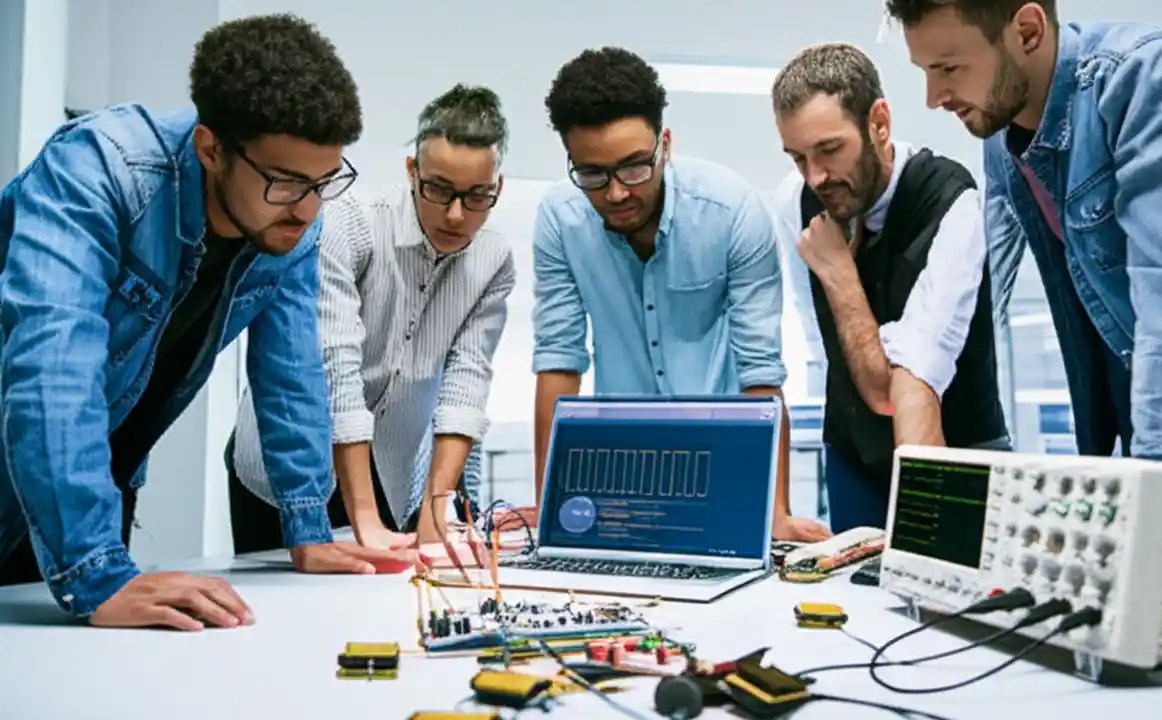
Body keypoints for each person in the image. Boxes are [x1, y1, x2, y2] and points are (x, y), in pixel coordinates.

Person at [0, 13, 416, 631]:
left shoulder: (292, 225)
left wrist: (307, 525)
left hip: (95, 480)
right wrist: (94, 570)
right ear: (210, 149)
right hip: (33, 453)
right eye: (285, 181)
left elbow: (293, 372)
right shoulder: (96, 171)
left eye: (324, 181)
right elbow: (50, 374)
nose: (307, 209)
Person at [887, 0, 1162, 621]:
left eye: (949, 67)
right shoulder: (1003, 138)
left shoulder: (1149, 81)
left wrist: (1157, 540)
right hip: (1150, 449)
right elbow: (979, 288)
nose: (934, 96)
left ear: (1027, 30)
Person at [500, 46, 830, 543]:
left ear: (665, 145)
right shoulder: (561, 220)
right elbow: (558, 364)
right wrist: (551, 504)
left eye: (634, 167)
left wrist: (776, 512)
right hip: (620, 467)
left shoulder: (732, 211)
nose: (615, 193)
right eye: (592, 174)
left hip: (725, 457)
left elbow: (760, 372)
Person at [227, 84, 513, 554]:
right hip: (281, 468)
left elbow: (466, 386)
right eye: (438, 189)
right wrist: (362, 515)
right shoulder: (350, 223)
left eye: (477, 196)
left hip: (386, 472)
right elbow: (335, 369)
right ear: (411, 171)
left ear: (497, 187)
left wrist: (435, 509)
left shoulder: (494, 260)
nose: (456, 214)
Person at [770, 42, 1010, 533]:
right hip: (853, 456)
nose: (815, 177)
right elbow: (827, 352)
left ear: (879, 122)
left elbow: (886, 391)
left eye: (830, 150)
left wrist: (839, 273)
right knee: (854, 604)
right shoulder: (794, 201)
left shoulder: (952, 201)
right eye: (798, 158)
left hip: (958, 450)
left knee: (949, 598)